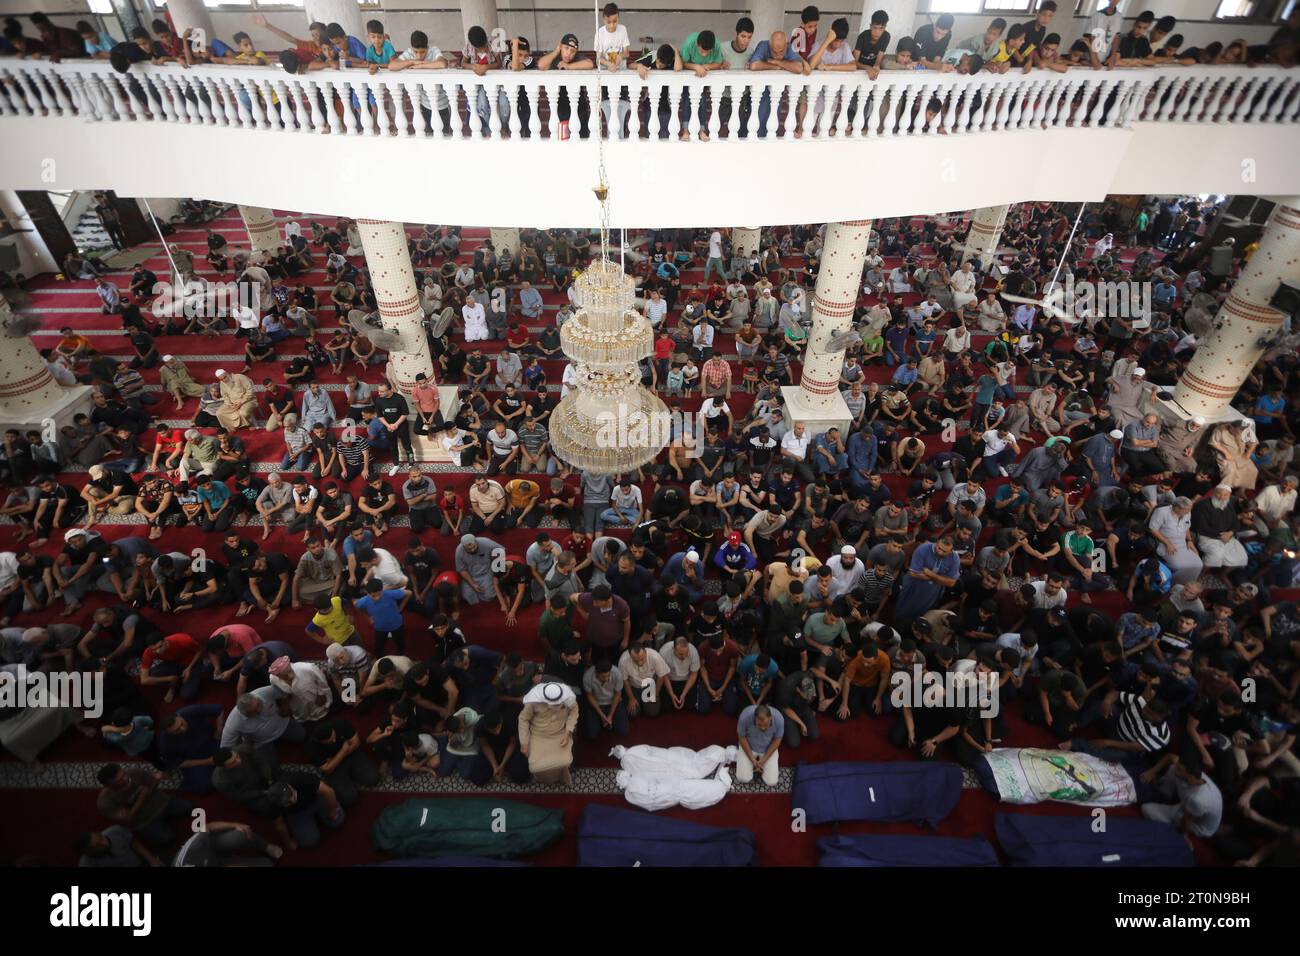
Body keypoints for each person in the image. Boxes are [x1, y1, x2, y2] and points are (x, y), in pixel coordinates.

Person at [736, 703, 783, 785]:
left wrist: (764, 759)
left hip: (767, 748)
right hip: (749, 747)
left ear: (771, 718)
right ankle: (754, 765)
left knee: (771, 782)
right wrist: (752, 760)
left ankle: (760, 766)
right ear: (755, 718)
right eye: (759, 725)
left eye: (765, 725)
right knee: (743, 778)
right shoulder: (745, 716)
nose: (763, 728)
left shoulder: (779, 718)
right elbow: (742, 738)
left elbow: (777, 740)